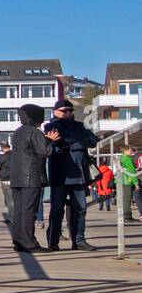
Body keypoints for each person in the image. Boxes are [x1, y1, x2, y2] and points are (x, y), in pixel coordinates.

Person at [43, 99, 99, 251]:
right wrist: (79, 141)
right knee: (57, 209)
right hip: (60, 174)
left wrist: (73, 142)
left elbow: (92, 141)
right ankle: (53, 241)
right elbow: (60, 143)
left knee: (80, 209)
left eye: (70, 110)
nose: (68, 113)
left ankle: (79, 240)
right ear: (55, 112)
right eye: (64, 110)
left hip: (79, 173)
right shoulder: (50, 126)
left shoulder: (79, 125)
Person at [7, 103, 58, 254]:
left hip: (17, 176)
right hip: (31, 176)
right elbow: (45, 152)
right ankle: (29, 243)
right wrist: (50, 140)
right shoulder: (34, 132)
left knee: (19, 210)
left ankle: (18, 241)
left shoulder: (18, 132)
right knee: (30, 210)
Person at [0, 142, 14, 223]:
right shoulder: (16, 155)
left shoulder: (3, 157)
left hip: (6, 180)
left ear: (1, 148)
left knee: (9, 200)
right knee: (15, 199)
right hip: (17, 180)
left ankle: (12, 218)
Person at [121, 145, 142, 222]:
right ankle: (127, 216)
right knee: (127, 199)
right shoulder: (127, 159)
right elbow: (132, 172)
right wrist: (136, 183)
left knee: (126, 198)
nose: (132, 152)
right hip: (127, 181)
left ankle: (127, 215)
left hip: (123, 180)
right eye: (130, 150)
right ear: (125, 151)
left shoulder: (122, 158)